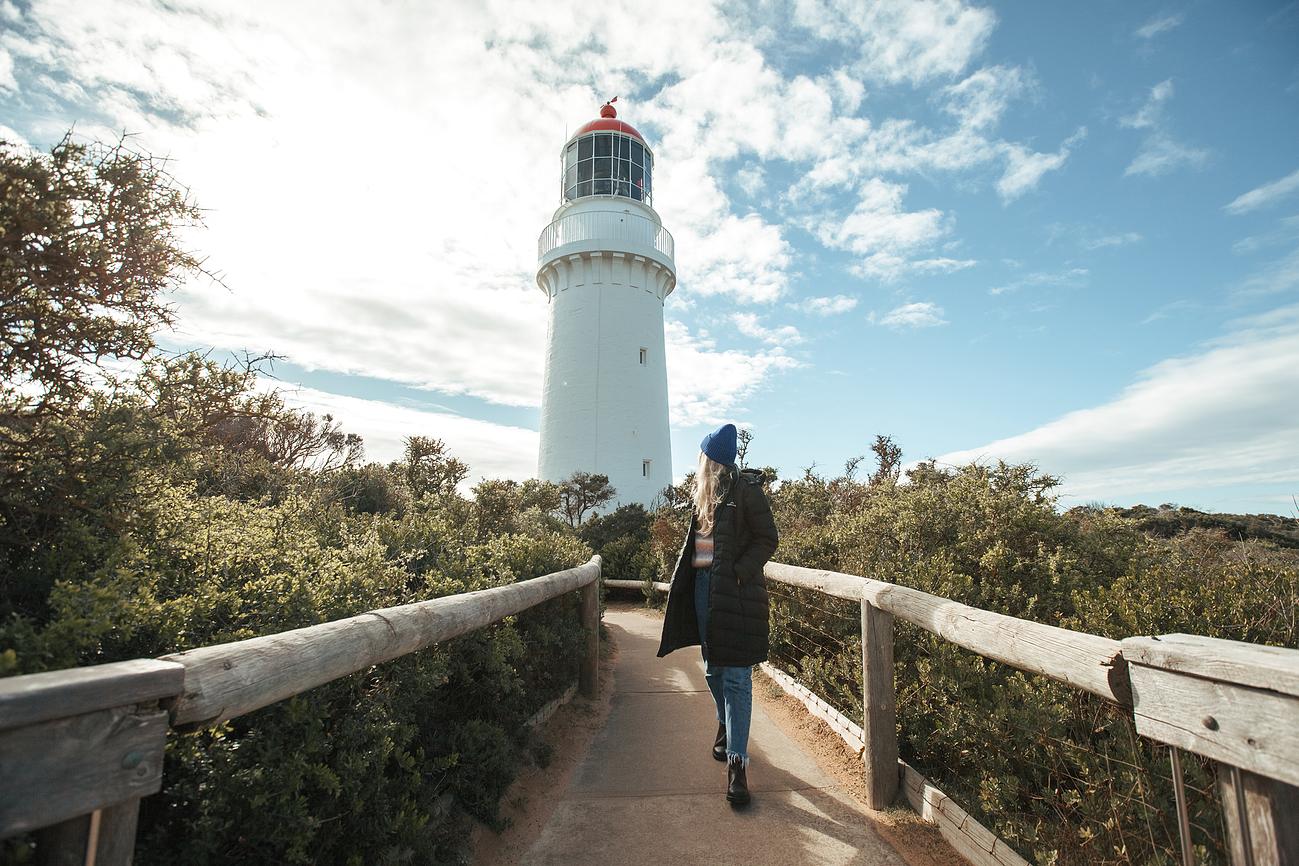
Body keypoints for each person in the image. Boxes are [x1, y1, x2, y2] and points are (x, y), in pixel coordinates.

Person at [656, 423, 779, 806]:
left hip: (738, 596)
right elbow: (700, 550)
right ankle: (725, 723)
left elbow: (768, 539)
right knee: (713, 671)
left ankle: (737, 766)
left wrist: (740, 573)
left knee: (738, 678)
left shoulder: (747, 491)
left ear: (711, 459)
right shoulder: (704, 496)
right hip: (705, 594)